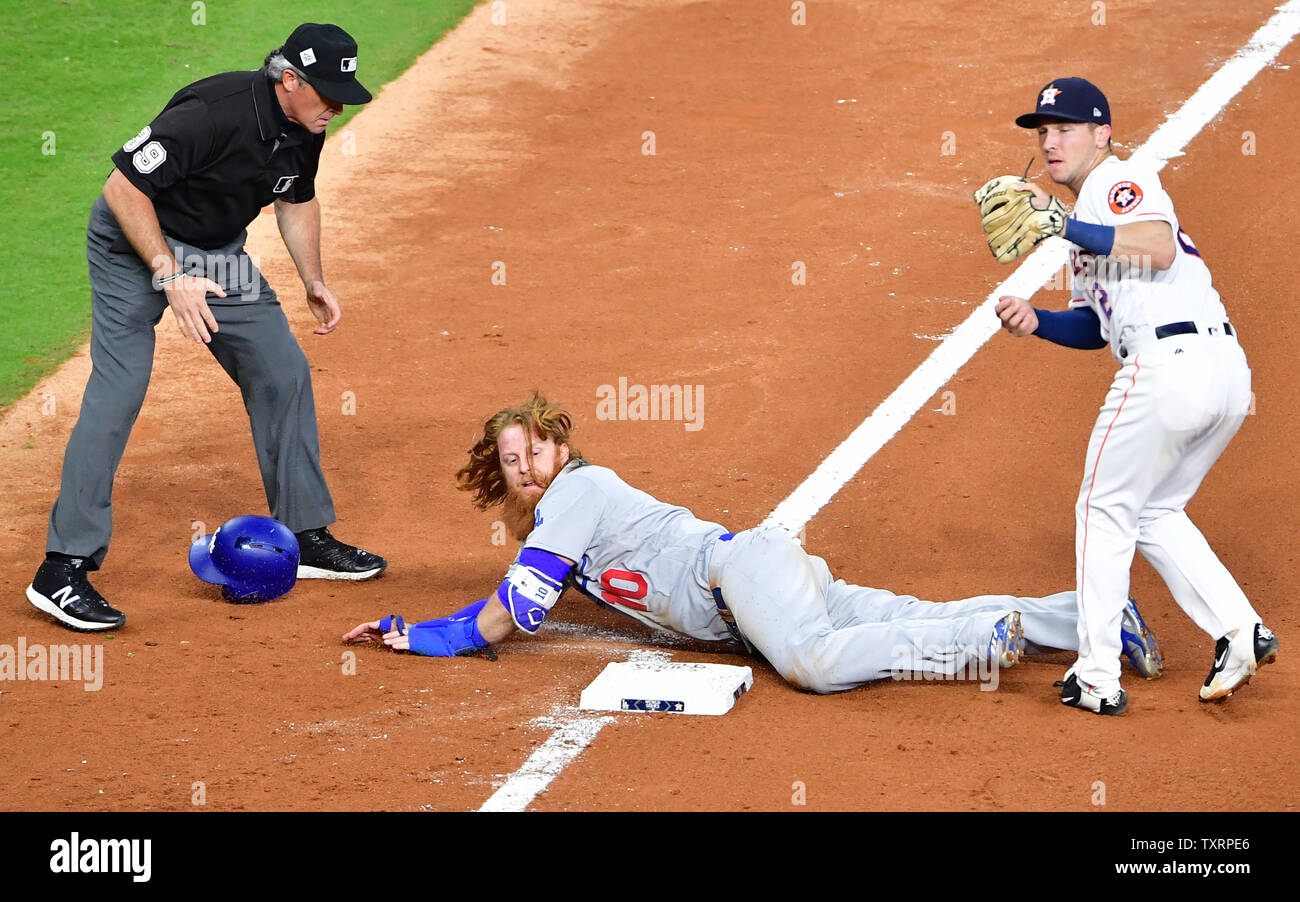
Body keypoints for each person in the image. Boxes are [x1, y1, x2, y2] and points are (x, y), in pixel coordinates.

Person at [344, 393, 1164, 695]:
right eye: (510, 461)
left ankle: (980, 643)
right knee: (896, 612)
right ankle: (1092, 618)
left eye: (534, 452)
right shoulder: (567, 515)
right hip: (759, 582)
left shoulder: (577, 492)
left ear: (562, 449)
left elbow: (514, 611)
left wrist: (417, 635)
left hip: (740, 577)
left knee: (813, 663)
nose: (525, 470)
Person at [27, 23, 387, 633]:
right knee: (119, 391)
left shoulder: (307, 126)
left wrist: (312, 278)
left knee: (282, 370)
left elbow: (294, 198)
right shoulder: (213, 112)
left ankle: (304, 533)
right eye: (325, 92)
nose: (334, 105)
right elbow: (122, 187)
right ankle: (62, 568)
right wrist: (169, 272)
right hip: (133, 245)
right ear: (289, 80)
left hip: (217, 257)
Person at [992, 77, 1277, 714]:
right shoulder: (1089, 224)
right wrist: (1036, 321)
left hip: (1168, 368)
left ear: (1103, 135)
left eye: (1064, 128)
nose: (1050, 142)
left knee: (1101, 510)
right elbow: (1097, 328)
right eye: (1043, 131)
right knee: (1151, 511)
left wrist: (1071, 227)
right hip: (1219, 374)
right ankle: (1239, 629)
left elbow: (1154, 245)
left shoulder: (1117, 182)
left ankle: (1095, 678)